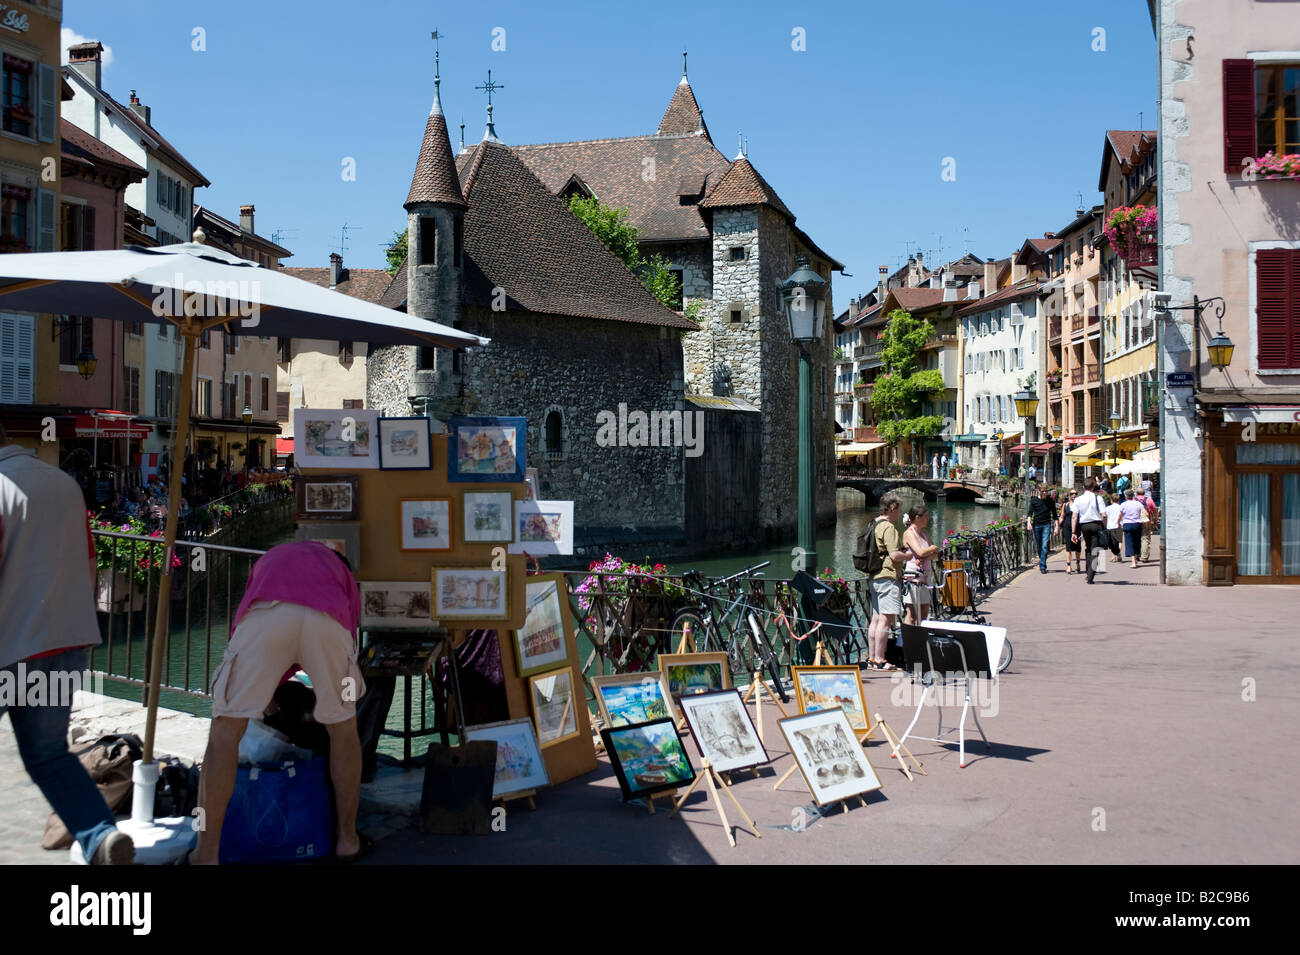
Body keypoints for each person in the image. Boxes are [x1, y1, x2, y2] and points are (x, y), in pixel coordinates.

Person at [0, 425, 135, 864]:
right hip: (63, 643)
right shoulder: (64, 484)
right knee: (50, 757)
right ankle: (99, 835)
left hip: (9, 646)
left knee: (47, 757)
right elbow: (89, 559)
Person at [191, 541, 368, 864]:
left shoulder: (273, 557)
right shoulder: (341, 574)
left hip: (266, 614)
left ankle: (205, 854)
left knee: (224, 733)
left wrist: (268, 700)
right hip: (327, 619)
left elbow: (245, 620)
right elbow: (347, 634)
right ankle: (347, 840)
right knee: (343, 730)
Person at [865, 493, 910, 671]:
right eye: (899, 508)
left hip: (874, 576)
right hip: (888, 575)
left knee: (875, 620)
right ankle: (880, 659)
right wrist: (908, 555)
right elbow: (894, 555)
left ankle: (871, 658)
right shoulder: (889, 527)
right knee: (885, 619)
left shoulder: (873, 524)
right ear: (892, 508)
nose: (900, 512)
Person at [902, 504, 940, 624]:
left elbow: (936, 554)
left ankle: (920, 639)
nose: (928, 519)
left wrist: (927, 556)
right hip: (914, 576)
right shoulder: (909, 533)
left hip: (926, 575)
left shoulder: (924, 533)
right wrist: (932, 548)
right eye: (926, 516)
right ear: (917, 518)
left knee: (924, 612)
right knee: (912, 614)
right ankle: (906, 640)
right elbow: (920, 551)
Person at [1072, 477, 1109, 584]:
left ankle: (1088, 572)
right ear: (1093, 487)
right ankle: (1090, 576)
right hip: (1096, 524)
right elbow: (1104, 515)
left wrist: (1074, 532)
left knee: (1088, 547)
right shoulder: (1098, 498)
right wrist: (1104, 526)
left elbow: (1074, 516)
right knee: (1095, 550)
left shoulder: (1078, 499)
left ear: (1083, 487)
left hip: (1084, 525)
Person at [1025, 483, 1057, 573]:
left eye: (1046, 491)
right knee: (1039, 546)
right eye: (1042, 491)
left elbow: (1055, 515)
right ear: (1038, 491)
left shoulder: (1050, 501)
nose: (1044, 493)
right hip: (1037, 525)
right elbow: (1030, 513)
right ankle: (1042, 559)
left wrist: (1056, 527)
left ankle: (1042, 566)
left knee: (1044, 545)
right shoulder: (1034, 500)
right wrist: (1029, 523)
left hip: (1046, 525)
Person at [1119, 489, 1146, 569]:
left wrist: (1118, 522)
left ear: (1126, 496)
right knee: (1137, 541)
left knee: (1129, 542)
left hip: (1127, 523)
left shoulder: (1123, 504)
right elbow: (1144, 512)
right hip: (1137, 524)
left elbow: (1120, 515)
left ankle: (1134, 561)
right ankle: (1136, 557)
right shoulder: (1138, 504)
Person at [1059, 489, 1082, 574]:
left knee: (1078, 547)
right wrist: (1057, 525)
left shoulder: (1079, 505)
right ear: (1069, 495)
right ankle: (1069, 566)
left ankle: (1078, 564)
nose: (1074, 495)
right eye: (1072, 494)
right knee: (1068, 547)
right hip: (1067, 527)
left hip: (1078, 527)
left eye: (1075, 493)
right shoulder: (1065, 505)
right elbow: (1062, 516)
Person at [1104, 493, 1124, 563]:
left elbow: (1105, 517)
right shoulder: (1121, 507)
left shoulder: (1107, 508)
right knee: (1119, 541)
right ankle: (1118, 554)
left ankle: (1113, 556)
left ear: (1111, 500)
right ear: (1119, 500)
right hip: (1119, 526)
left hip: (1110, 526)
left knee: (1112, 542)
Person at [1140, 489, 1158, 562]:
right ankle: (1144, 557)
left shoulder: (1133, 500)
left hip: (1135, 522)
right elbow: (1154, 511)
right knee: (1145, 538)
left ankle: (1136, 555)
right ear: (1144, 493)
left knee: (1136, 538)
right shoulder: (1149, 500)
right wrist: (1155, 520)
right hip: (1146, 521)